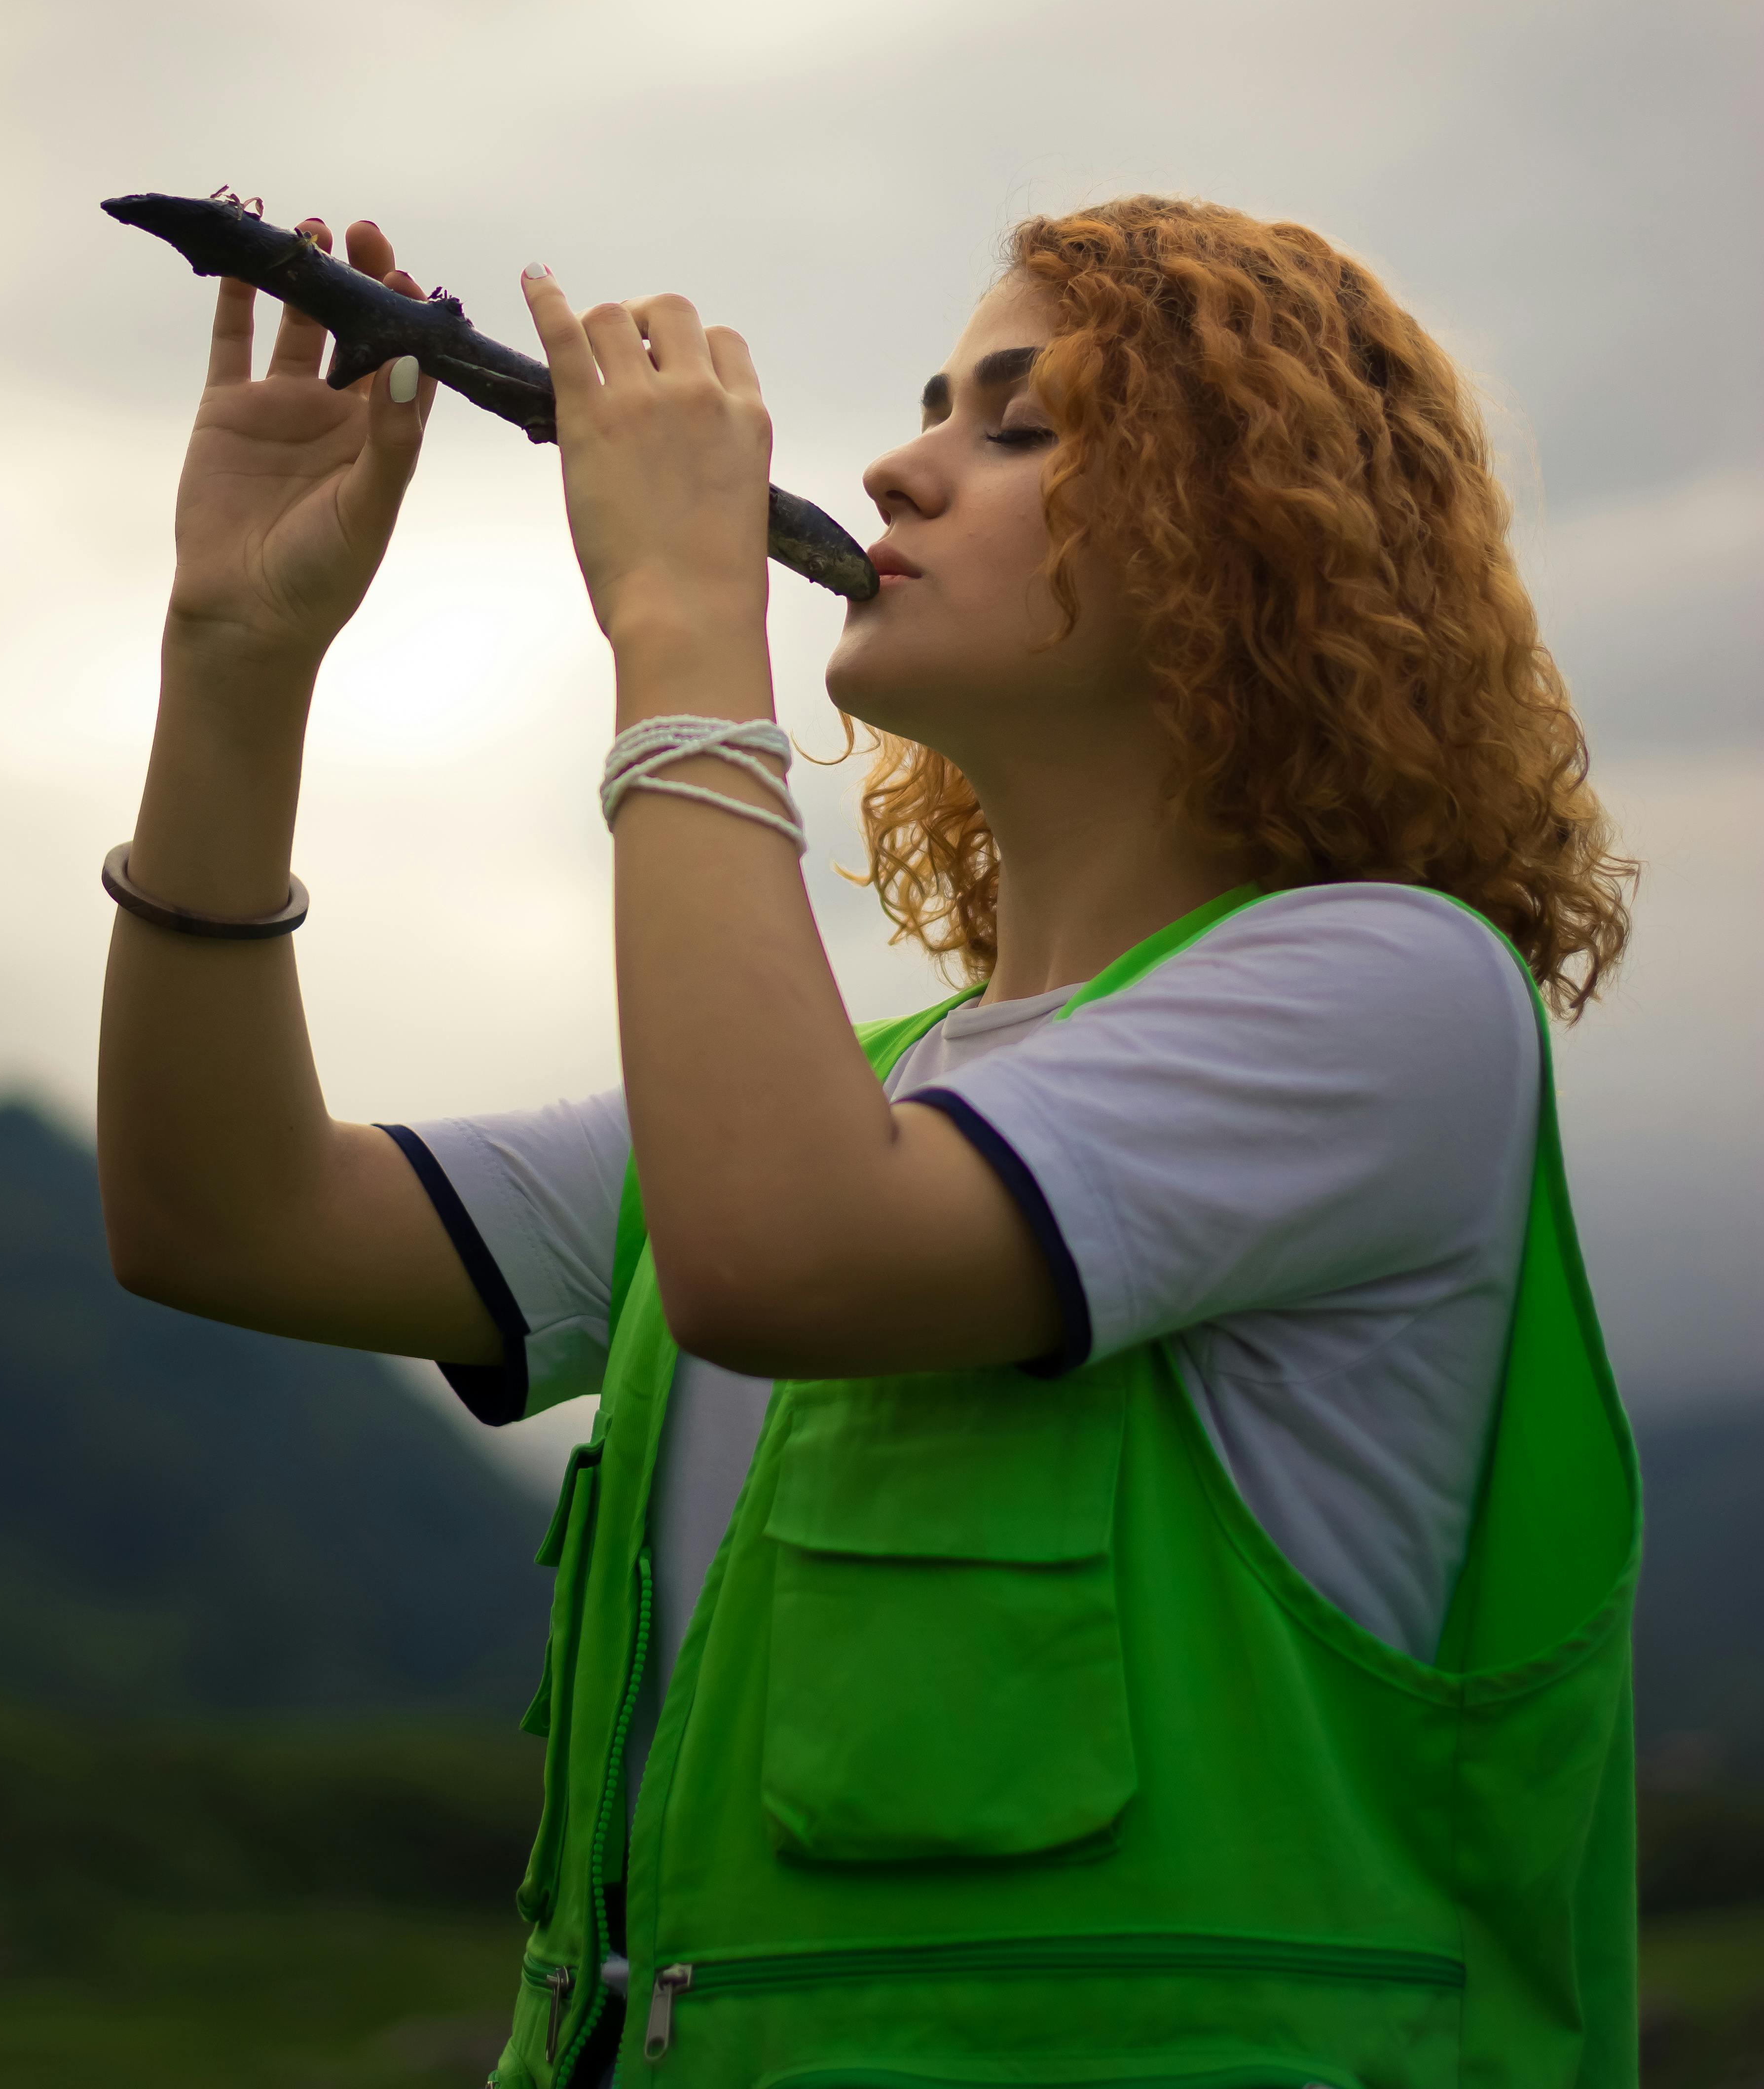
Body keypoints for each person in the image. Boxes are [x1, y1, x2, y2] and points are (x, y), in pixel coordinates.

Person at [98, 194, 1641, 2089]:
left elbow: (788, 1254)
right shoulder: (858, 1098)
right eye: (932, 408)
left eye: (1022, 423)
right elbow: (221, 1219)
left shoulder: (1393, 1003)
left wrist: (680, 623)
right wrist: (233, 658)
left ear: (1255, 539)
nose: (901, 469)